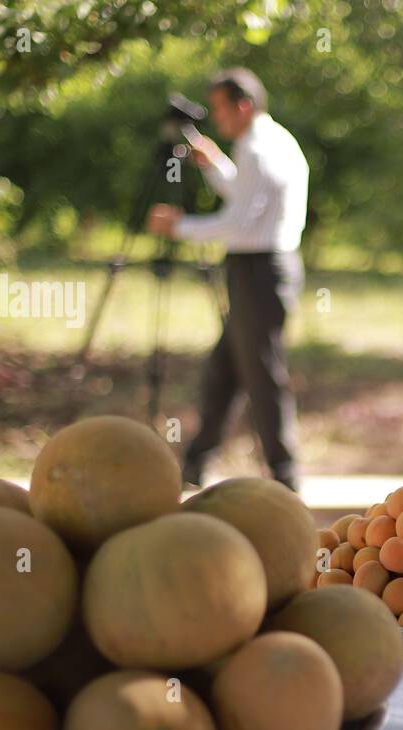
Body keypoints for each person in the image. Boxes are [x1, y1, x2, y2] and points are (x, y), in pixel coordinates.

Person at [147, 67, 309, 490]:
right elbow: (248, 197)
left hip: (259, 269)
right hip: (257, 268)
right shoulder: (270, 142)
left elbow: (239, 223)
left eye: (220, 108)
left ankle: (285, 476)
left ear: (243, 105)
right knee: (225, 371)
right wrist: (215, 163)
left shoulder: (257, 148)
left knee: (261, 372)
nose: (216, 118)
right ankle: (195, 466)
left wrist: (179, 227)